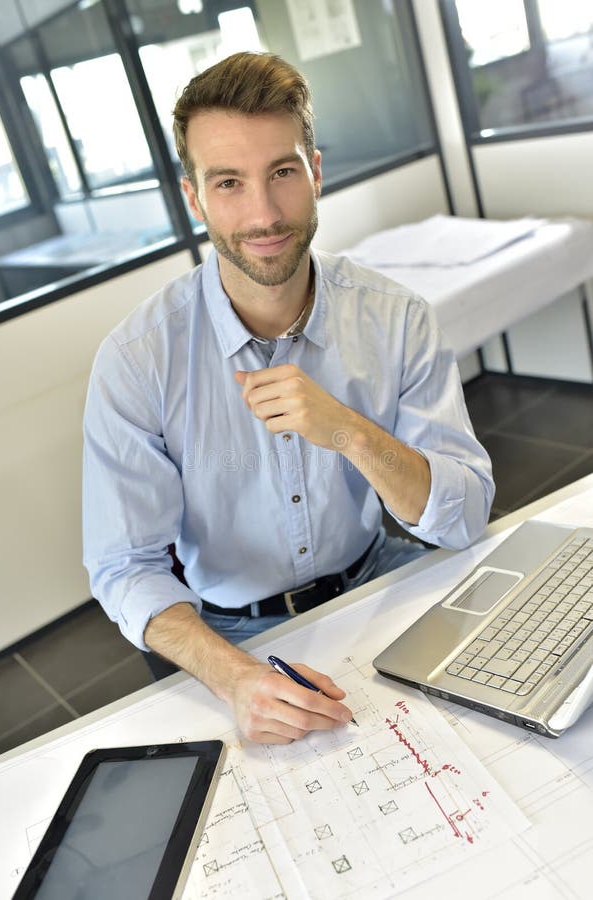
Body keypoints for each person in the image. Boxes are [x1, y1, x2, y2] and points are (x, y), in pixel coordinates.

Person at [83, 51, 494, 745]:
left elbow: (464, 517)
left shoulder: (396, 317)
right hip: (229, 628)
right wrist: (235, 676)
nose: (264, 214)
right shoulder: (136, 360)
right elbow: (126, 567)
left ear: (315, 172)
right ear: (194, 198)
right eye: (229, 183)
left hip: (378, 577)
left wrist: (348, 431)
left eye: (282, 173)